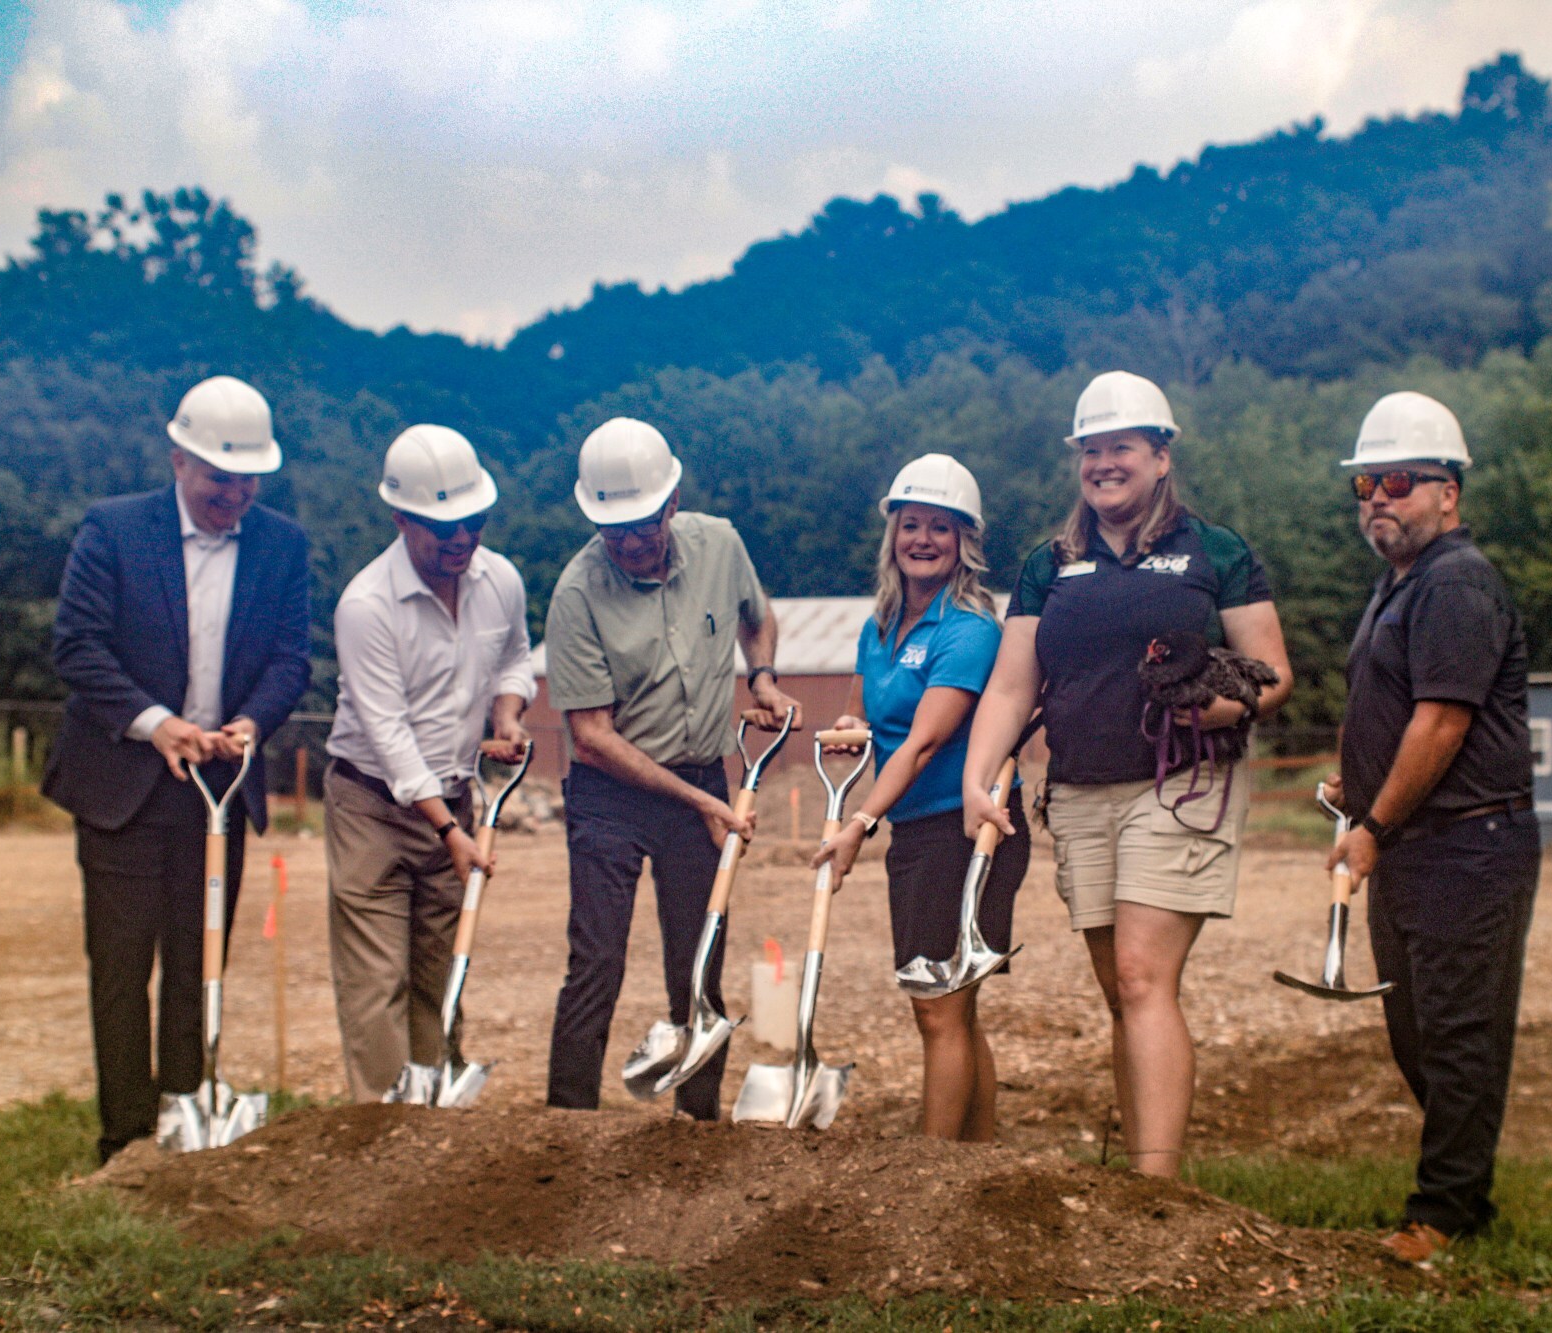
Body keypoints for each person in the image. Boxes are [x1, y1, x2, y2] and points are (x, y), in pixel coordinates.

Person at [962, 371, 1292, 1177]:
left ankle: (1155, 1186)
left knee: (1145, 974)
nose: (1104, 463)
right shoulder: (1053, 562)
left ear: (1160, 455)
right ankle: (1142, 1178)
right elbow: (1013, 684)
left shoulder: (1214, 551)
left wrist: (1213, 707)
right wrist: (980, 778)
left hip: (1179, 783)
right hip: (1078, 788)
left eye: (1122, 447)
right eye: (1092, 450)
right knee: (1124, 991)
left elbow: (1272, 674)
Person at [43, 374, 311, 1163]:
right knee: (122, 967)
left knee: (201, 963)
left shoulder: (283, 544)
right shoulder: (112, 530)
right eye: (219, 477)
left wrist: (251, 722)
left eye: (248, 478)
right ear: (178, 462)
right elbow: (78, 647)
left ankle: (186, 1119)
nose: (235, 493)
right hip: (122, 785)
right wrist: (157, 724)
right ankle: (125, 1139)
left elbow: (292, 659)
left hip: (217, 791)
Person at [1322, 391, 1541, 1265]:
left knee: (1457, 1032)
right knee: (1416, 1030)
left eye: (1399, 480)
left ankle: (1442, 1213)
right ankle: (1465, 1193)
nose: (1379, 496)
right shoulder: (1398, 584)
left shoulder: (1456, 579)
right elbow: (1393, 705)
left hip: (1468, 844)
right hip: (1420, 842)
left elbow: (1443, 722)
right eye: (1366, 482)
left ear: (1448, 491)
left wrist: (1374, 820)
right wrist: (1359, 783)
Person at [543, 417, 799, 1119]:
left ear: (673, 502)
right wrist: (699, 798)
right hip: (610, 794)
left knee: (700, 954)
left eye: (641, 525)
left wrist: (765, 678)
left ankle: (698, 1121)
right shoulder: (575, 593)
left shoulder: (719, 544)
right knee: (596, 960)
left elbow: (757, 617)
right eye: (611, 529)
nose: (627, 542)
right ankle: (566, 1124)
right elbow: (591, 735)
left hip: (700, 784)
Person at [811, 454, 1029, 1141]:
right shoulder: (880, 625)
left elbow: (925, 743)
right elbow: (864, 712)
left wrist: (860, 823)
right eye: (912, 525)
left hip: (967, 831)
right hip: (918, 833)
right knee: (951, 1009)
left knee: (939, 1007)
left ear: (966, 540)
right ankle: (977, 1157)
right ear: (893, 534)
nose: (924, 539)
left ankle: (932, 1171)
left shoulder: (968, 628)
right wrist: (852, 728)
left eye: (941, 526)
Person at [323, 425, 534, 1102]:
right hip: (372, 806)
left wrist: (506, 714)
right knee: (377, 979)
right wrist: (450, 833)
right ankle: (386, 1133)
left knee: (440, 973)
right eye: (442, 527)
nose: (461, 540)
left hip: (456, 798)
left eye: (473, 522)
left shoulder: (500, 579)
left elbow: (515, 659)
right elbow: (389, 736)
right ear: (400, 518)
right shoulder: (366, 606)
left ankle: (437, 1128)